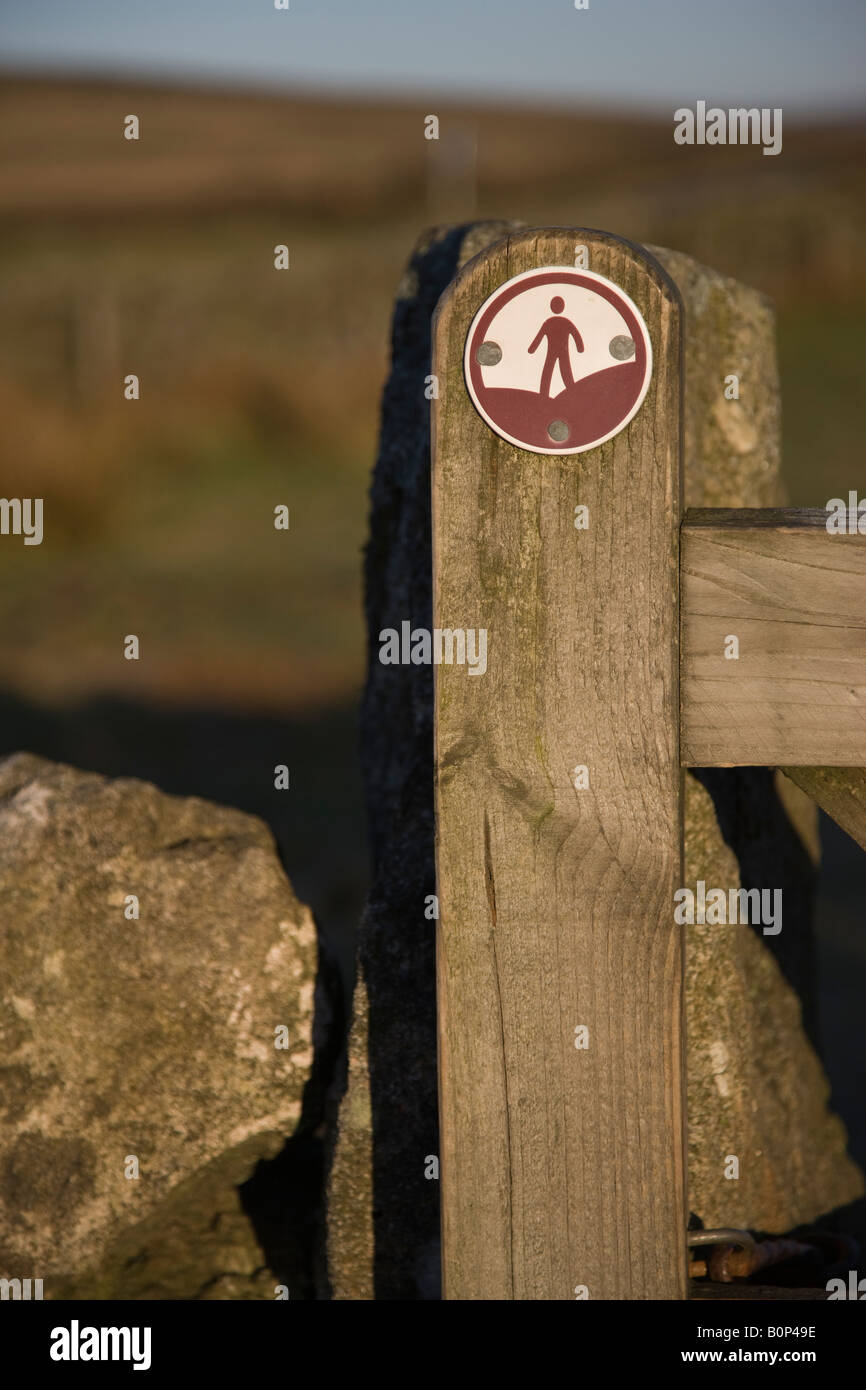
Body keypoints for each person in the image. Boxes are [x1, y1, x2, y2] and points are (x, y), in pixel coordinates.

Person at [528, 297, 584, 396]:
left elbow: (538, 338)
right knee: (564, 372)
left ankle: (545, 394)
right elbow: (576, 336)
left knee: (550, 371)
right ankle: (571, 393)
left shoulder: (549, 322)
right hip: (562, 352)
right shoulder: (565, 322)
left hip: (554, 352)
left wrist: (532, 349)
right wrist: (580, 348)